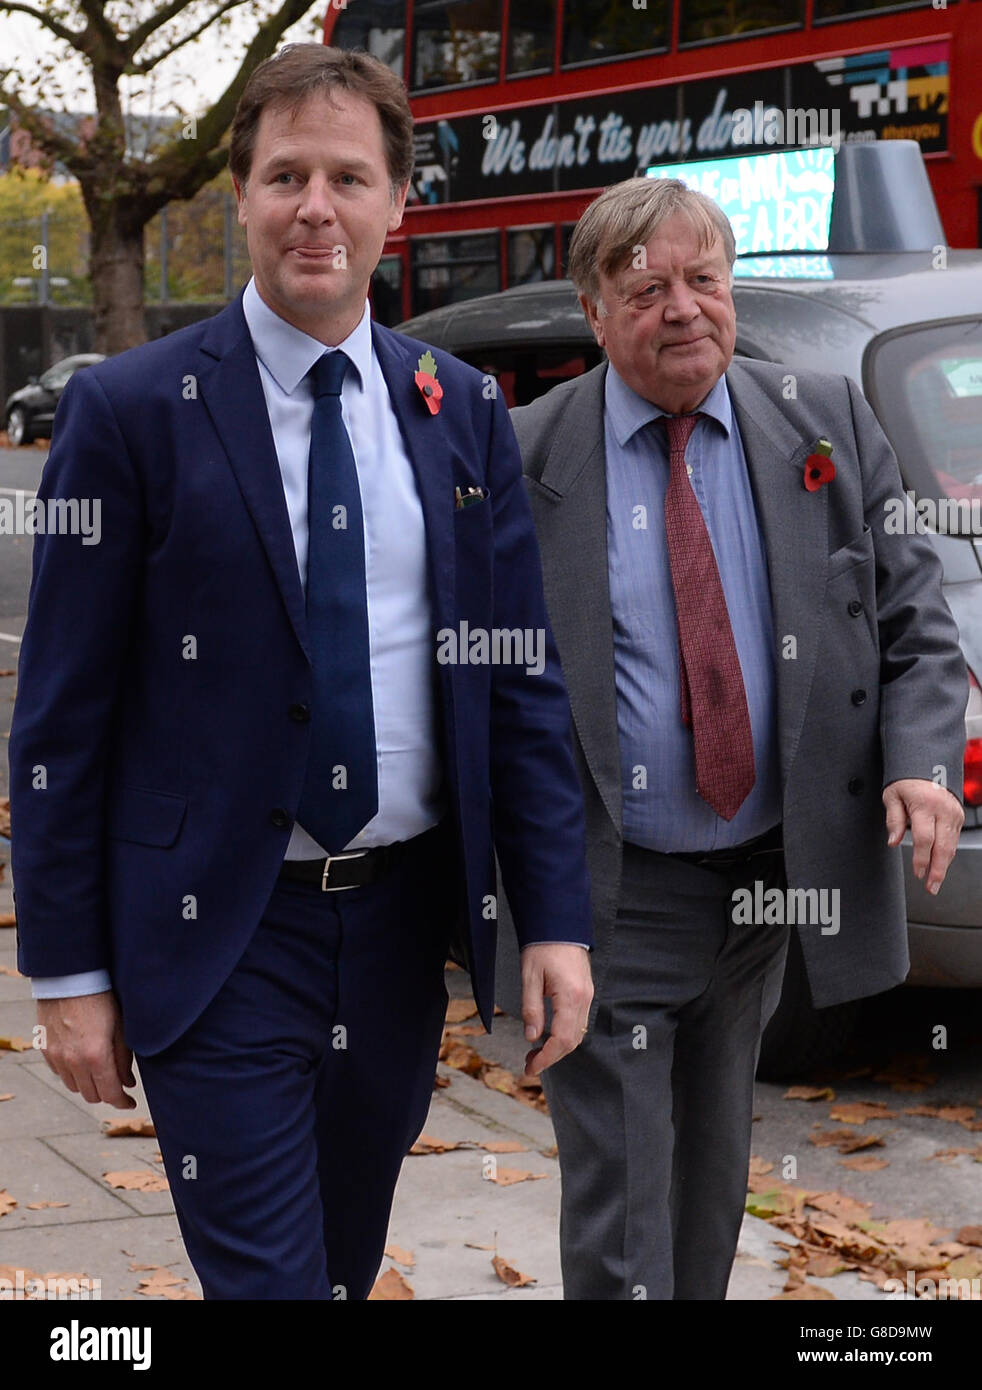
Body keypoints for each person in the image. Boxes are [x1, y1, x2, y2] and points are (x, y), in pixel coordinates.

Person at [9, 43, 594, 1301]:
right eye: (285, 177)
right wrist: (66, 973)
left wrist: (552, 917)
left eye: (346, 176)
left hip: (395, 933)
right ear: (243, 198)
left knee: (334, 1265)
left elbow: (519, 684)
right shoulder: (130, 410)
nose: (314, 207)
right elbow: (61, 709)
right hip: (216, 930)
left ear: (397, 204)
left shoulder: (460, 408)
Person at [495, 176, 967, 1300]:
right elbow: (486, 688)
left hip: (766, 887)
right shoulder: (524, 457)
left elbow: (914, 621)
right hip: (613, 894)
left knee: (709, 1185)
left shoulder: (822, 418)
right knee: (621, 1207)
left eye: (703, 280)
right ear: (595, 310)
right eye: (645, 286)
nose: (682, 308)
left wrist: (918, 761)